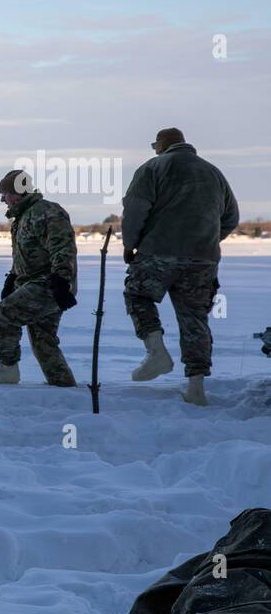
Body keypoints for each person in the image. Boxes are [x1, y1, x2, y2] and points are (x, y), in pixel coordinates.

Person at [122, 128, 240, 406]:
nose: (154, 149)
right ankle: (196, 386)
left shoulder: (153, 168)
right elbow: (231, 217)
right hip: (203, 259)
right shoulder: (214, 173)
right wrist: (206, 240)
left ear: (162, 145)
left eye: (155, 145)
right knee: (194, 318)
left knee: (137, 295)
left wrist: (131, 244)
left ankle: (156, 352)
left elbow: (135, 210)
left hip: (159, 252)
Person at [0, 169, 78, 387]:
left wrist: (61, 281)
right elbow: (26, 254)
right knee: (43, 340)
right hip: (34, 282)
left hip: (49, 284)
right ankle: (63, 387)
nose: (2, 199)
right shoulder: (23, 217)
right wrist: (12, 278)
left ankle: (7, 368)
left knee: (5, 313)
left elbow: (63, 248)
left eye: (5, 193)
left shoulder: (47, 212)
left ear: (19, 192)